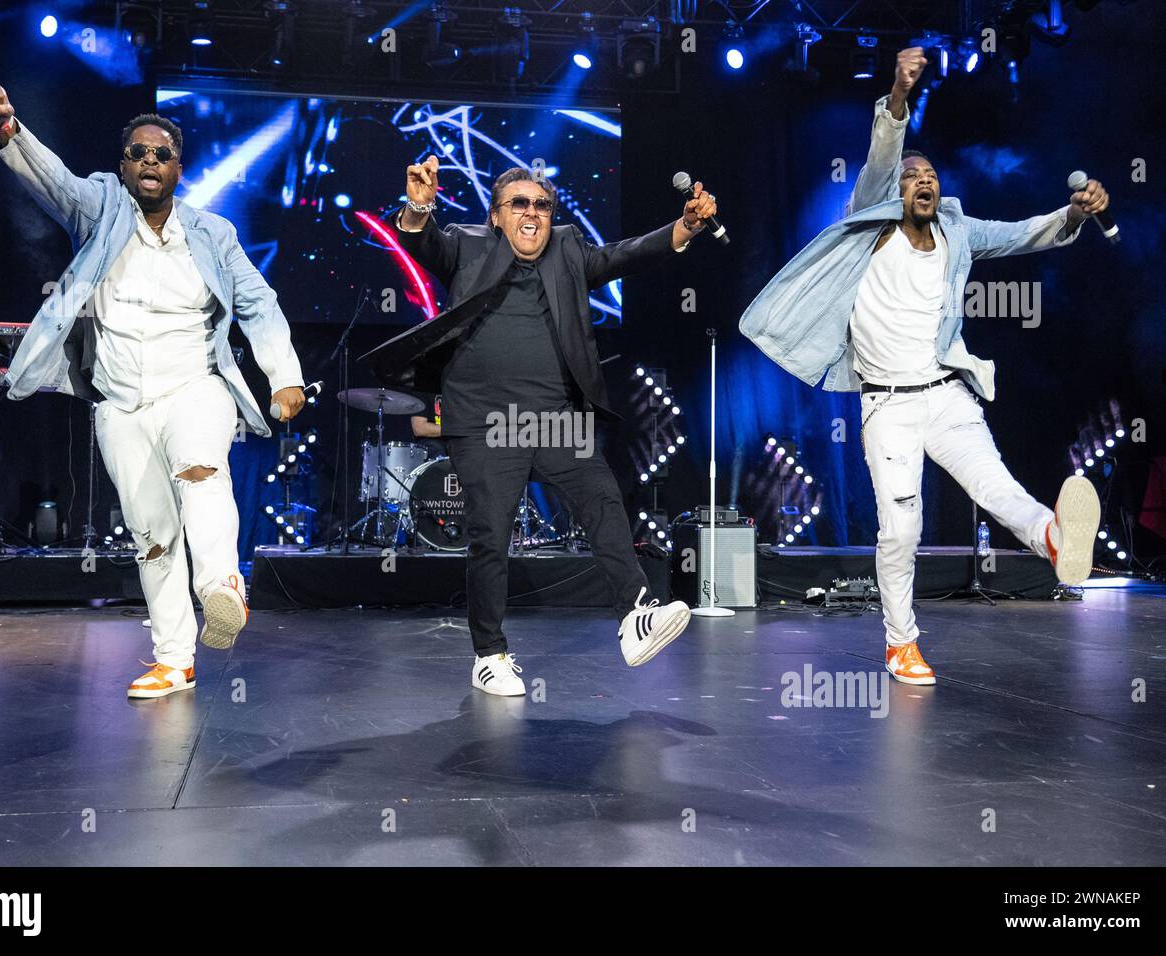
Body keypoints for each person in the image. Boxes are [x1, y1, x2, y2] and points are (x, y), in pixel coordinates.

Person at [738, 48, 1106, 685]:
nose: (922, 181)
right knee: (900, 529)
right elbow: (884, 157)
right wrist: (899, 96)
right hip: (889, 406)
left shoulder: (958, 232)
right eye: (912, 178)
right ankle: (900, 642)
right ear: (895, 193)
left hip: (945, 396)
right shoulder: (870, 225)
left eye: (929, 175)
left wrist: (1073, 213)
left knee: (997, 487)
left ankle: (1053, 539)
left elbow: (1021, 234)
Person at [0, 85, 306, 699]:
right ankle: (174, 661)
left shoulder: (213, 234)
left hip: (195, 386)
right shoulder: (99, 209)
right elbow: (56, 182)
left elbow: (259, 303)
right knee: (151, 532)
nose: (150, 161)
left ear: (179, 167)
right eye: (138, 152)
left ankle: (222, 586)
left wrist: (283, 374)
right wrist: (8, 130)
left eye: (163, 153)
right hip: (120, 402)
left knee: (201, 470)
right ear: (122, 164)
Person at [363, 157, 716, 695]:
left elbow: (628, 254)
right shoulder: (467, 244)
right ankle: (490, 654)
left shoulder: (569, 249)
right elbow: (421, 242)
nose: (533, 213)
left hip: (555, 419)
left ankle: (636, 614)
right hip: (484, 420)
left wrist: (686, 226)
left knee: (600, 495)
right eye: (520, 204)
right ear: (498, 216)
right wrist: (418, 206)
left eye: (542, 205)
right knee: (490, 536)